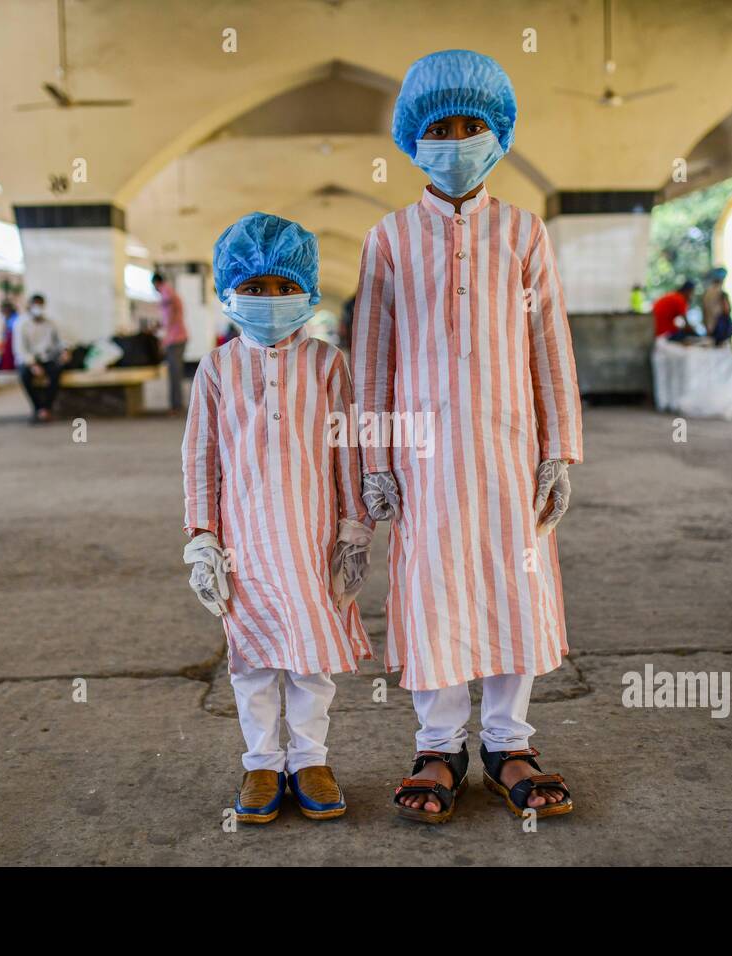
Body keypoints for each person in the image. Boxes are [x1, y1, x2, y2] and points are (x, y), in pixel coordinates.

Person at [353, 49, 580, 823]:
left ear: (497, 134)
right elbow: (373, 355)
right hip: (420, 461)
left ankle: (511, 740)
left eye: (469, 125)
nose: (454, 141)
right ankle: (439, 743)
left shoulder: (523, 233)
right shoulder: (387, 238)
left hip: (510, 452)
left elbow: (549, 345)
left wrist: (558, 450)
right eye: (439, 128)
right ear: (413, 139)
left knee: (515, 586)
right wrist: (375, 461)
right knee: (432, 590)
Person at [182, 212, 373, 824]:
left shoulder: (328, 365)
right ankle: (263, 763)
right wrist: (203, 538)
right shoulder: (216, 369)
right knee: (254, 661)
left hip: (313, 539)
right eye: (255, 287)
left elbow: (349, 450)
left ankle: (311, 759)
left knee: (310, 660)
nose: (269, 299)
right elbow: (201, 457)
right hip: (246, 543)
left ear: (307, 290)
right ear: (230, 290)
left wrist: (353, 530)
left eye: (284, 286)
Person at [12, 294, 66, 423]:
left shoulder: (50, 323)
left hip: (46, 358)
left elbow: (60, 341)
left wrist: (65, 351)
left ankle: (46, 408)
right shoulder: (21, 324)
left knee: (56, 371)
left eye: (40, 305)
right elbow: (20, 350)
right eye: (35, 305)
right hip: (28, 361)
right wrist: (32, 364)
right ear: (29, 306)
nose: (38, 308)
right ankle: (38, 408)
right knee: (25, 376)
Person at [153, 272, 188, 415]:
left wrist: (164, 340)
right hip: (178, 337)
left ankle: (176, 406)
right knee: (175, 374)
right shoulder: (171, 293)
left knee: (174, 375)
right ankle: (177, 405)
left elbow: (169, 319)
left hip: (175, 340)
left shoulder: (166, 295)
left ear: (156, 283)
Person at [701, 267, 732, 346]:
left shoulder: (706, 293)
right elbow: (726, 310)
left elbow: (704, 311)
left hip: (710, 328)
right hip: (719, 328)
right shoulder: (721, 293)